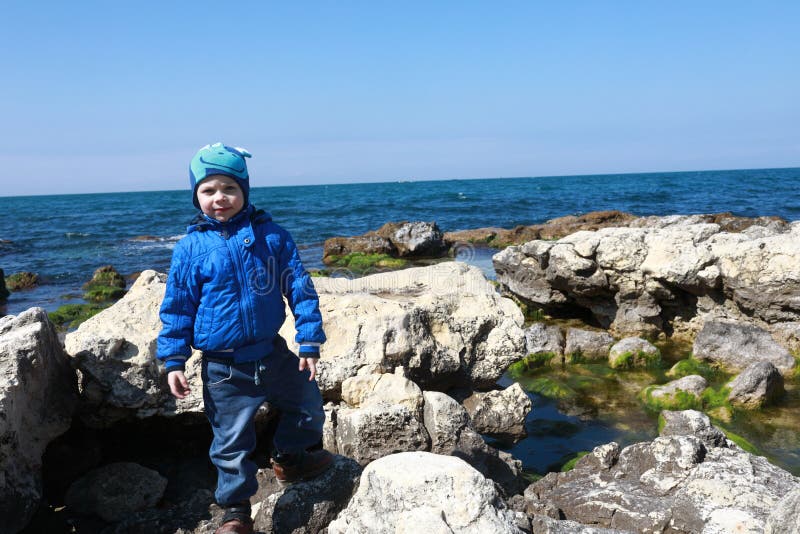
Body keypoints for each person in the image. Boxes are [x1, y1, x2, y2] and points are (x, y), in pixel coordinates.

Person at [157, 143, 332, 534]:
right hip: (222, 367)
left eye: (229, 189)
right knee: (231, 443)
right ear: (196, 196)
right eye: (208, 190)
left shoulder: (272, 236)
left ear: (245, 191)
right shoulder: (190, 249)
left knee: (308, 406)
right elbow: (177, 307)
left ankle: (290, 457)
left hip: (273, 354)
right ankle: (236, 512)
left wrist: (309, 340)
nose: (220, 198)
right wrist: (173, 359)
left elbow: (300, 288)